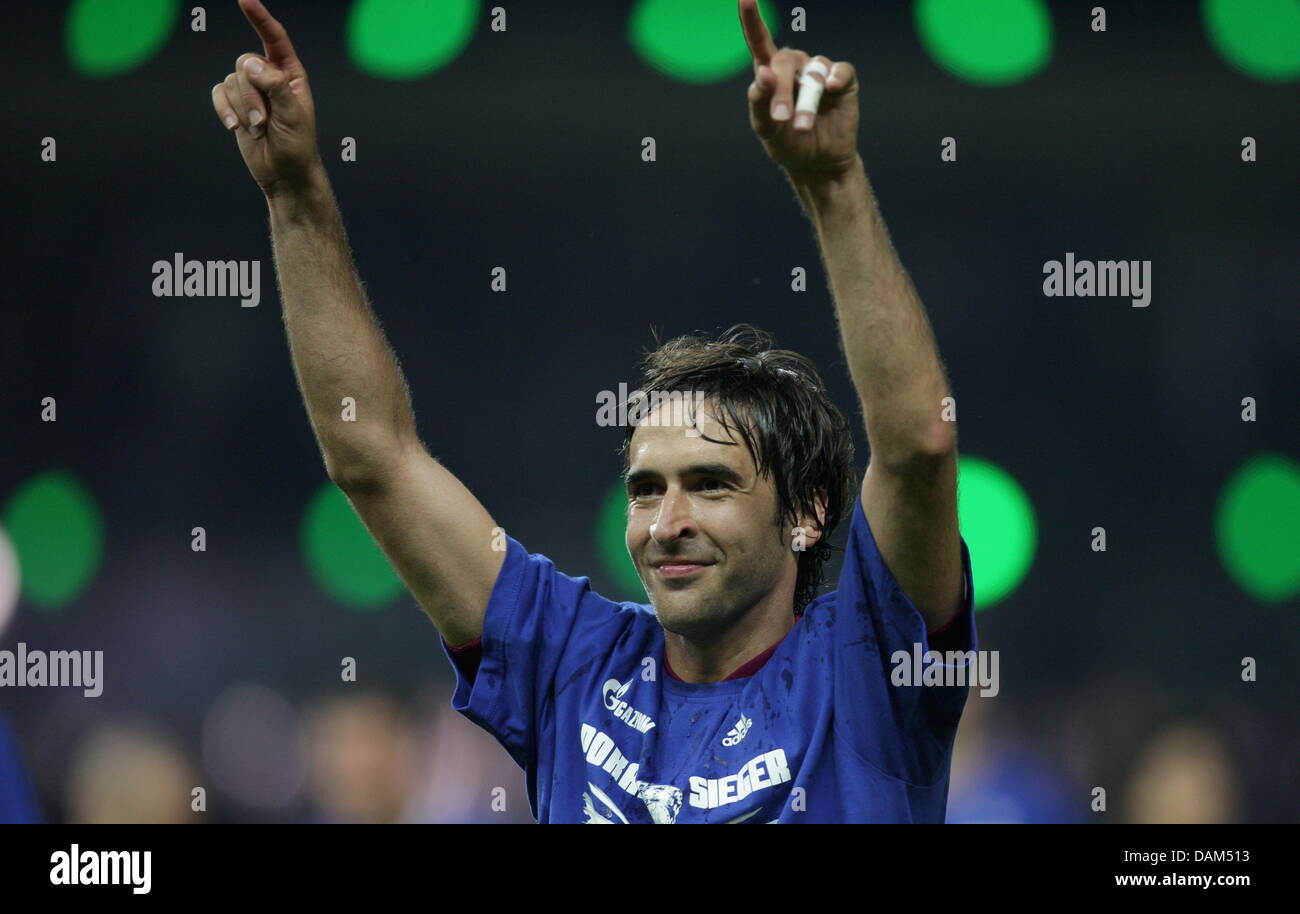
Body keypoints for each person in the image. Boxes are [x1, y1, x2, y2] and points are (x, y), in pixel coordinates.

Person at [212, 0, 976, 823]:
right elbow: (373, 457)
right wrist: (294, 194)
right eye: (646, 489)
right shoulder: (574, 659)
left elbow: (919, 446)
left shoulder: (865, 667)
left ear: (807, 512)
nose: (666, 523)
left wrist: (834, 187)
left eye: (710, 484)